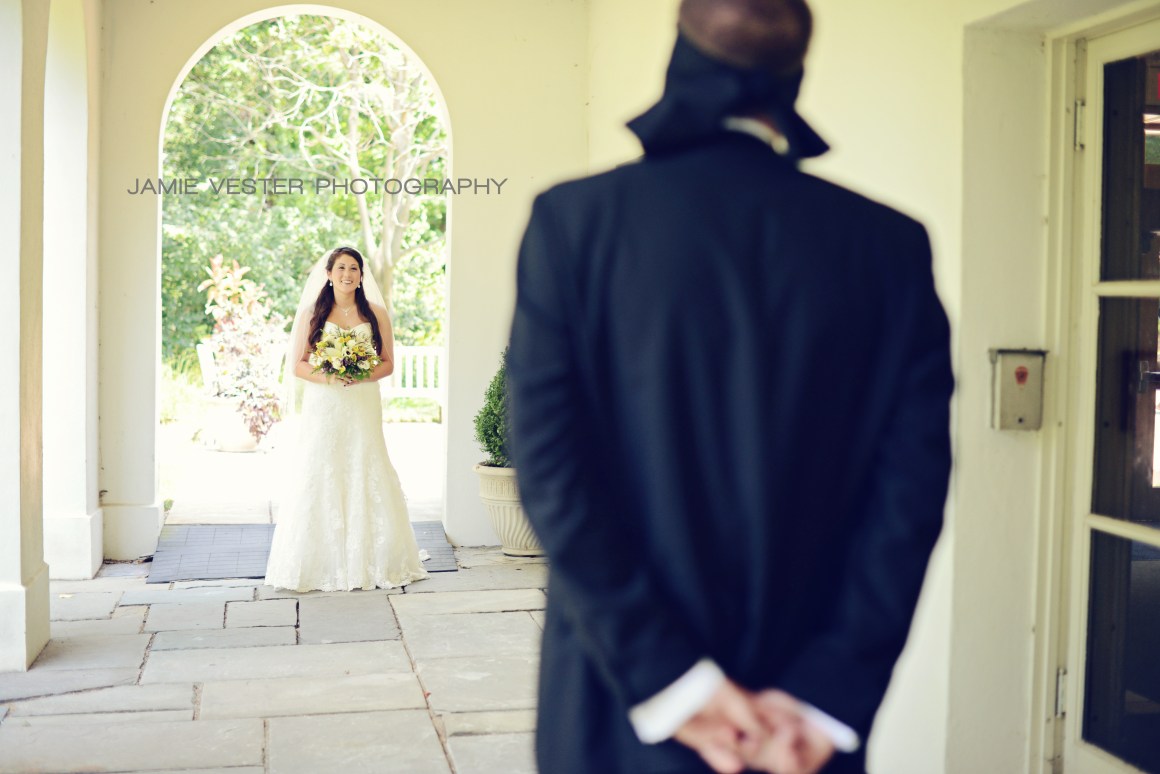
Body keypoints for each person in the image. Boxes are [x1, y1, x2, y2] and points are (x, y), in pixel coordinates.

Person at [506, 0, 954, 772]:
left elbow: (551, 473)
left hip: (620, 706)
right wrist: (825, 694)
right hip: (800, 724)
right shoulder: (888, 247)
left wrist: (672, 682)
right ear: (794, 76)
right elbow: (909, 493)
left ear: (680, 56)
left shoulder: (574, 224)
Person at [264, 246, 428, 592]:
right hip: (324, 403)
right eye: (341, 268)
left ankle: (373, 557)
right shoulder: (313, 313)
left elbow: (387, 362)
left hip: (363, 402)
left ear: (361, 275)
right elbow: (298, 364)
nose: (347, 274)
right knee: (322, 467)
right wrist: (331, 376)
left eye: (354, 268)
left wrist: (360, 373)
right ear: (328, 274)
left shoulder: (376, 313)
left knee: (366, 463)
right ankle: (320, 559)